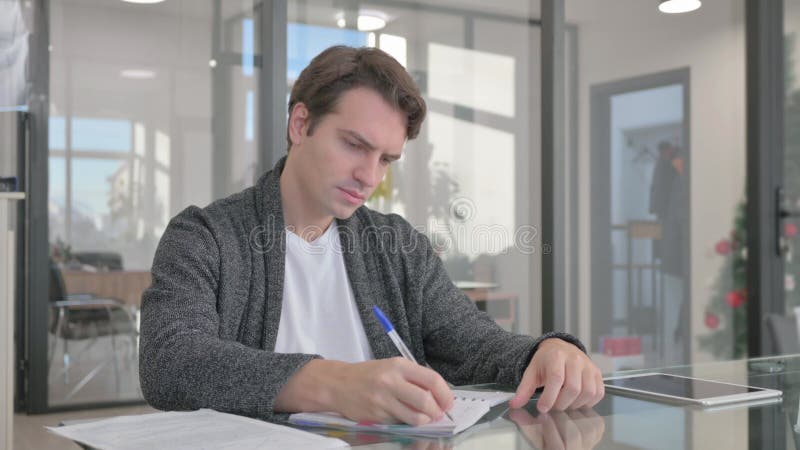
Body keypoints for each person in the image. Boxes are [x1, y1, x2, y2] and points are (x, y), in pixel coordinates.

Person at [139, 45, 604, 426]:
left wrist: (545, 351)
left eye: (385, 159)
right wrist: (336, 384)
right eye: (354, 145)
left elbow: (473, 344)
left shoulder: (396, 245)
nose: (369, 176)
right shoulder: (205, 235)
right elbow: (170, 361)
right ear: (300, 124)